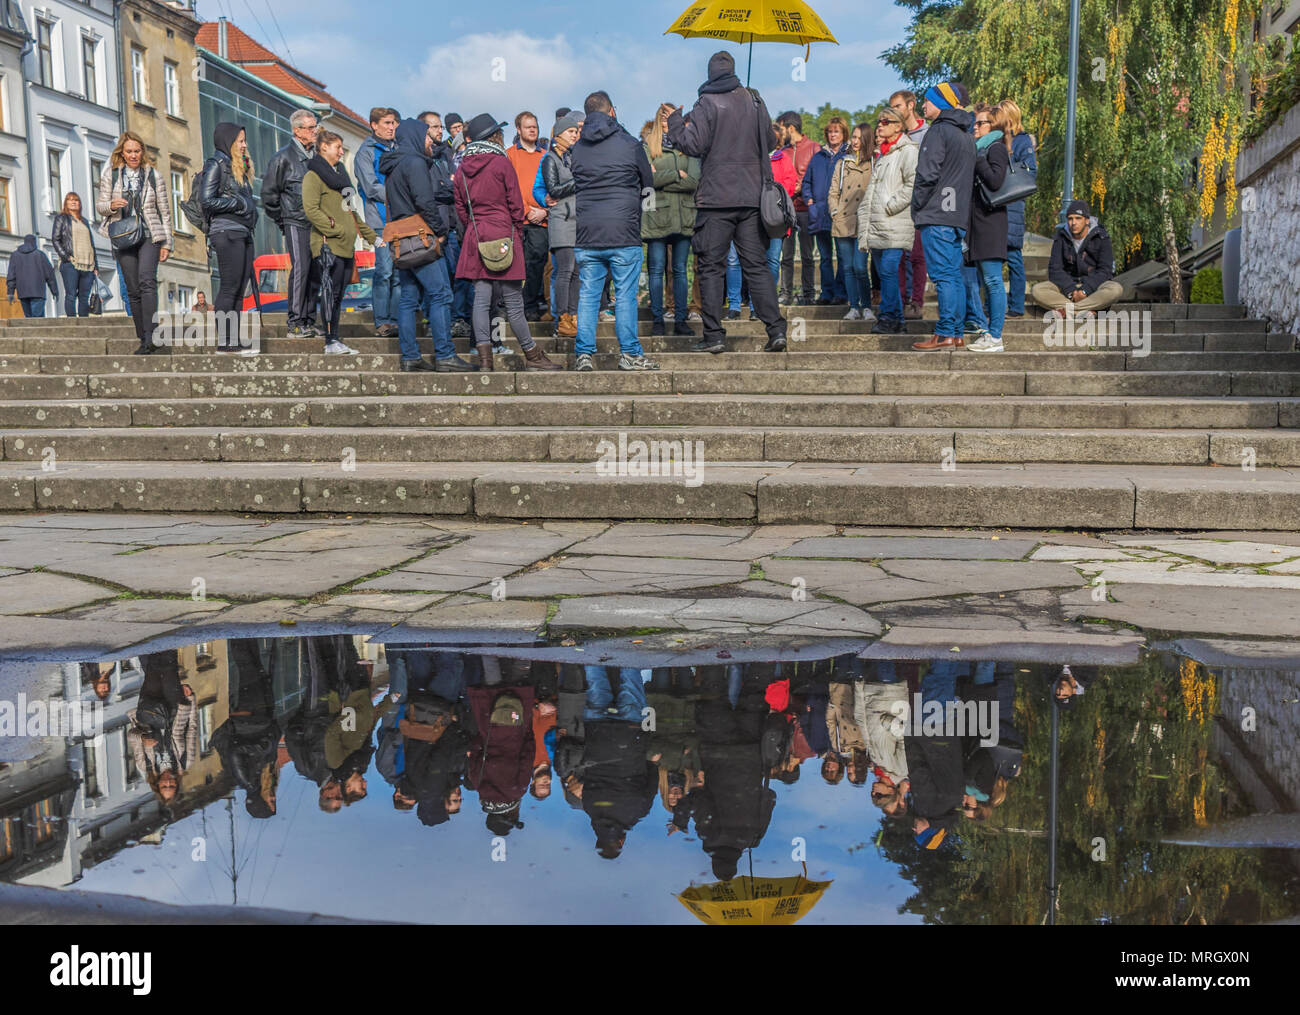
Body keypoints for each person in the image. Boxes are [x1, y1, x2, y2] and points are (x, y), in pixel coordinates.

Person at [664, 52, 788, 354]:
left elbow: (693, 145)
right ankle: (776, 330)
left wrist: (675, 123)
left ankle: (714, 336)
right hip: (751, 198)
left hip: (716, 199)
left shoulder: (706, 103)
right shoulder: (755, 100)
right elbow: (770, 143)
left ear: (709, 73)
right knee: (756, 266)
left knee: (710, 267)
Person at [453, 113, 562, 371]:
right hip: (504, 232)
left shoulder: (462, 169)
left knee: (481, 300)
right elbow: (515, 204)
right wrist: (516, 231)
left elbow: (460, 207)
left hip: (477, 235)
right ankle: (532, 355)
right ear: (495, 136)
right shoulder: (502, 164)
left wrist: (474, 227)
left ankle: (485, 360)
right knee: (513, 301)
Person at [570, 91, 658, 372]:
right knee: (625, 296)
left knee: (588, 296)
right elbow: (648, 185)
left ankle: (583, 355)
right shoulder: (630, 144)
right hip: (623, 232)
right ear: (612, 112)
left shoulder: (578, 148)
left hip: (587, 234)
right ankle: (630, 354)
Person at [380, 117, 476, 372]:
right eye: (425, 136)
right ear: (414, 137)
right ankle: (445, 355)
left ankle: (410, 357)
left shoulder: (393, 166)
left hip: (402, 240)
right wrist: (441, 231)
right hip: (422, 237)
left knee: (409, 298)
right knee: (441, 294)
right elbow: (425, 202)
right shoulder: (414, 163)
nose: (430, 140)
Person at [909, 81, 974, 352]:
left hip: (937, 215)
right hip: (957, 215)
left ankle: (946, 332)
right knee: (953, 276)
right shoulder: (966, 135)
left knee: (944, 276)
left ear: (942, 103)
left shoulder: (938, 132)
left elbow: (927, 174)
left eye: (928, 100)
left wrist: (917, 206)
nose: (924, 106)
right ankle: (955, 332)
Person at [303, 128, 379, 356]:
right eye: (337, 147)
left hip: (346, 247)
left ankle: (335, 339)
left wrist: (371, 236)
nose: (340, 152)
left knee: (338, 295)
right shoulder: (313, 176)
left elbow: (351, 213)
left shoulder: (342, 179)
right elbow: (310, 209)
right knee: (330, 294)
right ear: (323, 147)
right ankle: (330, 340)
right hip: (328, 245)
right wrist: (333, 228)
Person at [97, 131, 173, 353]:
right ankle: (142, 338)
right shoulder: (110, 175)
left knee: (147, 281)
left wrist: (167, 243)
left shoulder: (153, 176)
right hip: (123, 236)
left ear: (142, 152)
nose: (133, 155)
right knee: (132, 288)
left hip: (150, 233)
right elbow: (100, 206)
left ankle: (152, 335)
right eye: (129, 151)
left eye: (137, 151)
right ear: (122, 152)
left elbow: (165, 211)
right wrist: (112, 204)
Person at [198, 122, 259, 353]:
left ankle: (234, 336)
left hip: (243, 231)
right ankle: (224, 339)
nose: (244, 145)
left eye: (244, 141)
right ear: (229, 141)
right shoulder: (217, 164)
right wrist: (237, 203)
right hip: (226, 231)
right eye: (240, 141)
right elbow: (207, 200)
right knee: (229, 286)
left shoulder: (239, 167)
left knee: (240, 287)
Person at [261, 108, 320, 339]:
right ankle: (295, 322)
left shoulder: (316, 157)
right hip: (294, 221)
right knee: (301, 268)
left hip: (316, 224)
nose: (315, 131)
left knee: (315, 271)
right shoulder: (282, 158)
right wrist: (283, 219)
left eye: (315, 126)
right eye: (310, 127)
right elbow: (268, 194)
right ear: (297, 130)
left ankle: (308, 319)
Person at [641, 112, 700, 338]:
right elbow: (647, 179)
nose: (666, 123)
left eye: (670, 118)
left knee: (680, 271)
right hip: (656, 215)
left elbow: (694, 180)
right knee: (656, 270)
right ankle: (657, 321)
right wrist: (676, 174)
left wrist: (663, 180)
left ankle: (680, 320)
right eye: (662, 118)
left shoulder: (689, 147)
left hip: (684, 216)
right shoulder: (648, 147)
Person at [859, 108, 917, 336]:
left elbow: (913, 185)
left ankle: (887, 316)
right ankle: (897, 321)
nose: (880, 126)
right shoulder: (884, 153)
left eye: (886, 122)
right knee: (885, 273)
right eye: (879, 122)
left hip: (895, 223)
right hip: (878, 225)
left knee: (889, 270)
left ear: (898, 126)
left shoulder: (908, 151)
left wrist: (890, 206)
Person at [962, 103, 1011, 352]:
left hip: (991, 224)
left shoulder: (995, 149)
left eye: (981, 123)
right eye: (976, 123)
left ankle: (996, 336)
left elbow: (995, 181)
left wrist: (979, 160)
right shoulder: (981, 149)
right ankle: (988, 332)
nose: (976, 127)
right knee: (983, 280)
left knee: (993, 281)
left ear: (994, 126)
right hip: (979, 224)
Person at [126, 652, 197, 807]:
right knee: (169, 667)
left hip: (151, 711)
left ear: (157, 785)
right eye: (171, 786)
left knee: (152, 669)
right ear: (177, 784)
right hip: (175, 708)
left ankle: (149, 636)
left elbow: (131, 736)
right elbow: (191, 728)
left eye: (164, 786)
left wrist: (142, 739)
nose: (168, 782)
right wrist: (191, 698)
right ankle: (166, 637)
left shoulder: (145, 765)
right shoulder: (186, 762)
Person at [536, 112, 583, 339]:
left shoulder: (573, 157)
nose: (575, 135)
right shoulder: (549, 159)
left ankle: (573, 316)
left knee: (576, 272)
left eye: (576, 131)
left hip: (576, 221)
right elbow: (553, 189)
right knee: (564, 271)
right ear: (559, 134)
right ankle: (561, 318)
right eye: (571, 132)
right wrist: (579, 181)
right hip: (561, 220)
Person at [1032, 198, 1124, 316]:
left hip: (1094, 288)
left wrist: (1085, 290)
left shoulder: (1101, 237)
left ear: (1086, 220)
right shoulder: (1061, 237)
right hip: (1068, 289)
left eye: (1078, 218)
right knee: (1037, 290)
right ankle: (1084, 310)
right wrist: (1071, 291)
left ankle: (1070, 310)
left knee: (1115, 289)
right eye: (1070, 219)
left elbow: (1105, 271)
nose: (1073, 223)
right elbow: (1055, 270)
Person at [355, 106, 401, 338]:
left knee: (400, 273)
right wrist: (399, 194)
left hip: (402, 219)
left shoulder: (399, 147)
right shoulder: (366, 151)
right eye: (386, 123)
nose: (391, 127)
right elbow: (370, 186)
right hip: (381, 219)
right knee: (384, 271)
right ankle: (383, 321)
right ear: (374, 125)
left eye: (393, 123)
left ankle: (396, 319)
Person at [505, 111, 551, 321]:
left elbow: (553, 188)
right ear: (518, 130)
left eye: (535, 126)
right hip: (516, 219)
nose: (533, 130)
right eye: (528, 126)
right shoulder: (510, 154)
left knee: (536, 263)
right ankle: (511, 306)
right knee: (512, 266)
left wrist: (544, 212)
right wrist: (525, 211)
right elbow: (507, 188)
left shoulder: (547, 156)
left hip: (541, 220)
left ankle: (530, 305)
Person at [889, 90, 929, 319]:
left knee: (917, 256)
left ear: (911, 105)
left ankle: (917, 302)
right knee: (900, 257)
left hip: (920, 203)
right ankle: (902, 301)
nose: (895, 111)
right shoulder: (896, 135)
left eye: (898, 106)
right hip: (898, 205)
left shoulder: (927, 133)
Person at [802, 117, 850, 305]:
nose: (832, 135)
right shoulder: (818, 157)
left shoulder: (849, 155)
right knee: (824, 257)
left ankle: (841, 293)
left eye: (836, 131)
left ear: (843, 133)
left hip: (840, 214)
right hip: (820, 214)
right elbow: (807, 182)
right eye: (830, 132)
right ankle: (826, 292)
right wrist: (810, 201)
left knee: (843, 255)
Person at [830, 122, 873, 321]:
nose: (855, 141)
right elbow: (833, 192)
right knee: (846, 267)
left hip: (863, 222)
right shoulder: (842, 163)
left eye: (858, 137)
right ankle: (853, 306)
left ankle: (867, 306)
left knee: (860, 267)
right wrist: (834, 212)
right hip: (843, 220)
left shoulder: (873, 162)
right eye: (853, 137)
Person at [999, 99, 1037, 318]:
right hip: (997, 203)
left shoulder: (1022, 142)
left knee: (1013, 255)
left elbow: (1031, 174)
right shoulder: (996, 140)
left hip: (1012, 203)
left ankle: (1016, 305)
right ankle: (991, 304)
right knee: (992, 258)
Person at [775, 111, 818, 305]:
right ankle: (785, 292)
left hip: (806, 210)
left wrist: (803, 188)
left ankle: (808, 293)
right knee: (787, 254)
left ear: (790, 128)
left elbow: (819, 177)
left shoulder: (814, 148)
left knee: (808, 254)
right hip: (786, 210)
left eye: (782, 128)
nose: (780, 132)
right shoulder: (783, 152)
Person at [51, 193, 99, 317]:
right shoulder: (61, 218)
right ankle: (72, 324)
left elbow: (91, 244)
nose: (73, 202)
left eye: (76, 200)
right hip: (71, 263)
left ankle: (84, 324)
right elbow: (55, 239)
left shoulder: (85, 222)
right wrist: (66, 257)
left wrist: (96, 266)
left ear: (80, 203)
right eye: (70, 200)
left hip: (88, 265)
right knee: (71, 295)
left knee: (84, 296)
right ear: (66, 203)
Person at [5, 235, 58, 318]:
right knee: (37, 320)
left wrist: (10, 292)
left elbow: (11, 275)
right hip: (38, 292)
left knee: (29, 319)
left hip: (23, 293)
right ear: (34, 242)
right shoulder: (40, 255)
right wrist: (55, 291)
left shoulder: (15, 256)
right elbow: (50, 275)